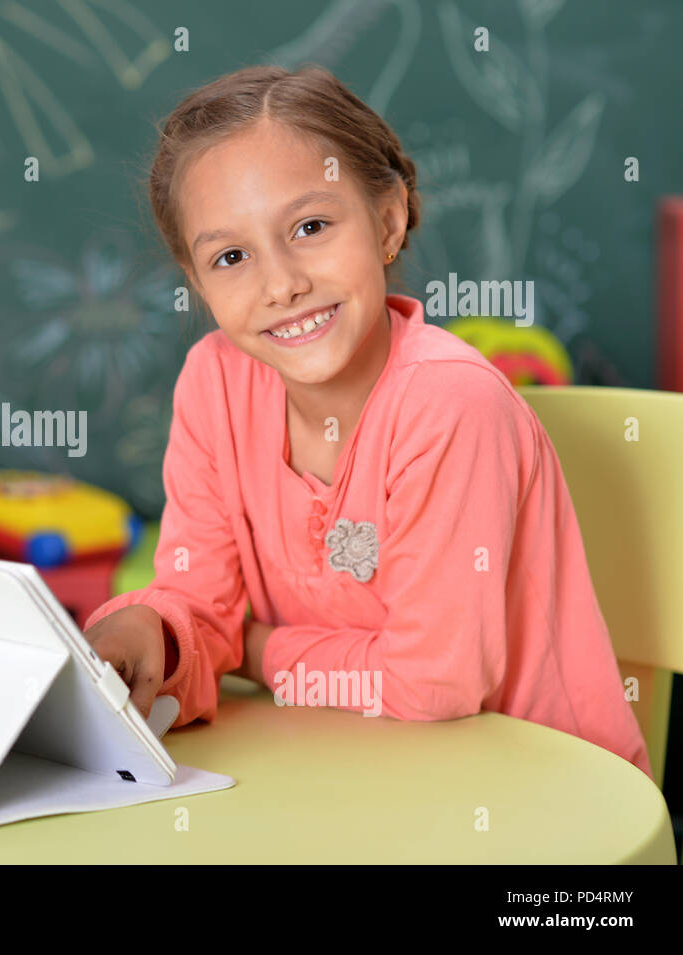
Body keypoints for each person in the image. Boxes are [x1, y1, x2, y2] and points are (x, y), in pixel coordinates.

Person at [83, 64, 652, 780]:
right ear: (197, 284)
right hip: (358, 777)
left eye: (311, 226)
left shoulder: (451, 405)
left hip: (544, 800)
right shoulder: (215, 383)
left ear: (387, 222)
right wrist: (156, 631)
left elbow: (430, 683)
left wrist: (253, 647)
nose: (281, 283)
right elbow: (198, 599)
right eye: (231, 256)